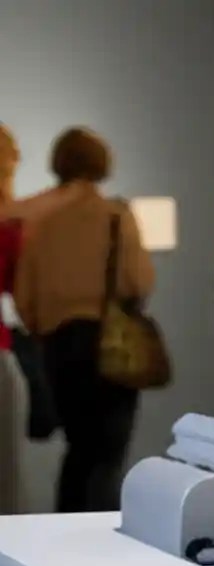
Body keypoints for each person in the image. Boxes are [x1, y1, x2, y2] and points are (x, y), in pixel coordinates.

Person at [13, 127, 155, 513]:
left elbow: (25, 294)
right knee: (109, 452)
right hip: (109, 340)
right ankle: (103, 537)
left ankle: (68, 532)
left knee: (78, 449)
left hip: (60, 344)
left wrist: (44, 326)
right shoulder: (116, 217)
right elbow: (140, 280)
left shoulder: (42, 223)